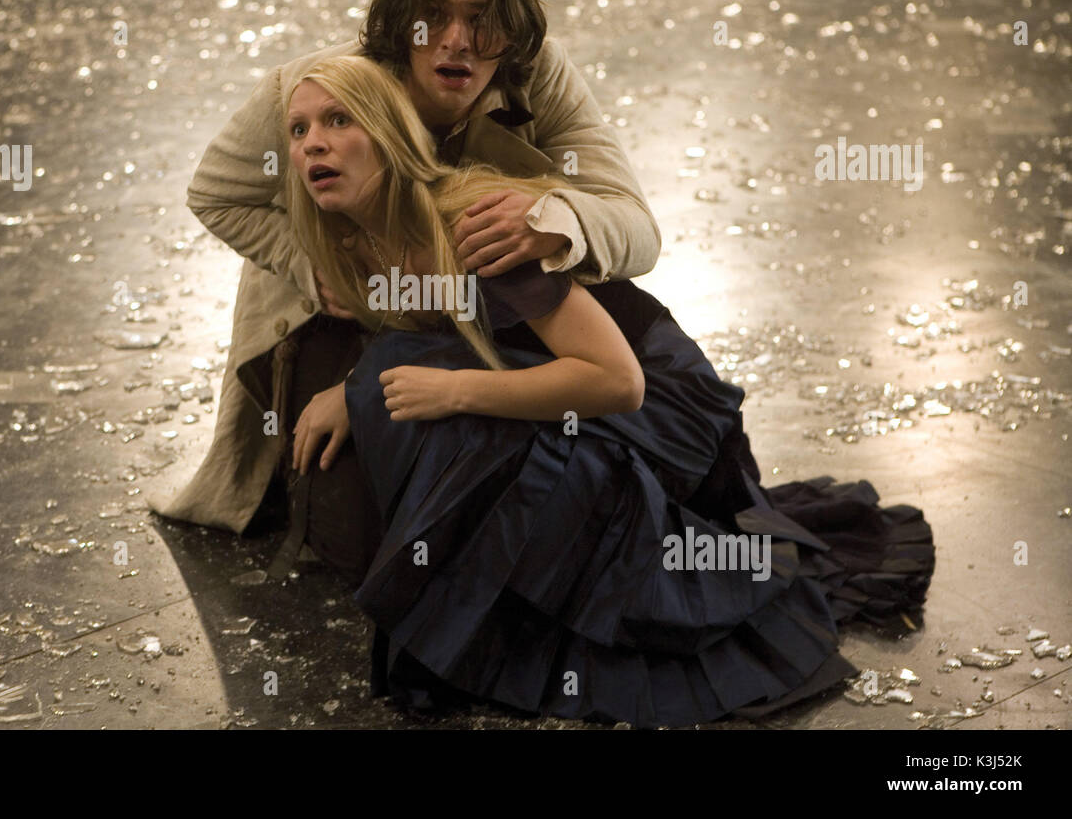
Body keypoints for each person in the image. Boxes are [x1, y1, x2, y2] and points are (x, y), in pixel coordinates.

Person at [281, 52, 935, 728]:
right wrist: (354, 387)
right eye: (298, 131)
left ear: (388, 132)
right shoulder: (352, 241)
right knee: (399, 375)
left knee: (448, 407)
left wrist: (456, 392)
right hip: (556, 375)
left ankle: (564, 590)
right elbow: (426, 337)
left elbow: (619, 381)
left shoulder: (471, 227)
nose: (315, 143)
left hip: (656, 396)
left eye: (338, 120)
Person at [153, 0, 662, 586]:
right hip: (347, 318)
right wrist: (315, 267)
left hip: (474, 314)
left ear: (510, 33)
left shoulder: (539, 76)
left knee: (524, 496)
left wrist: (558, 219)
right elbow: (216, 194)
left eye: (481, 19)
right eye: (433, 17)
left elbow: (637, 230)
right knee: (365, 525)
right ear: (402, 25)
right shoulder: (316, 85)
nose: (456, 40)